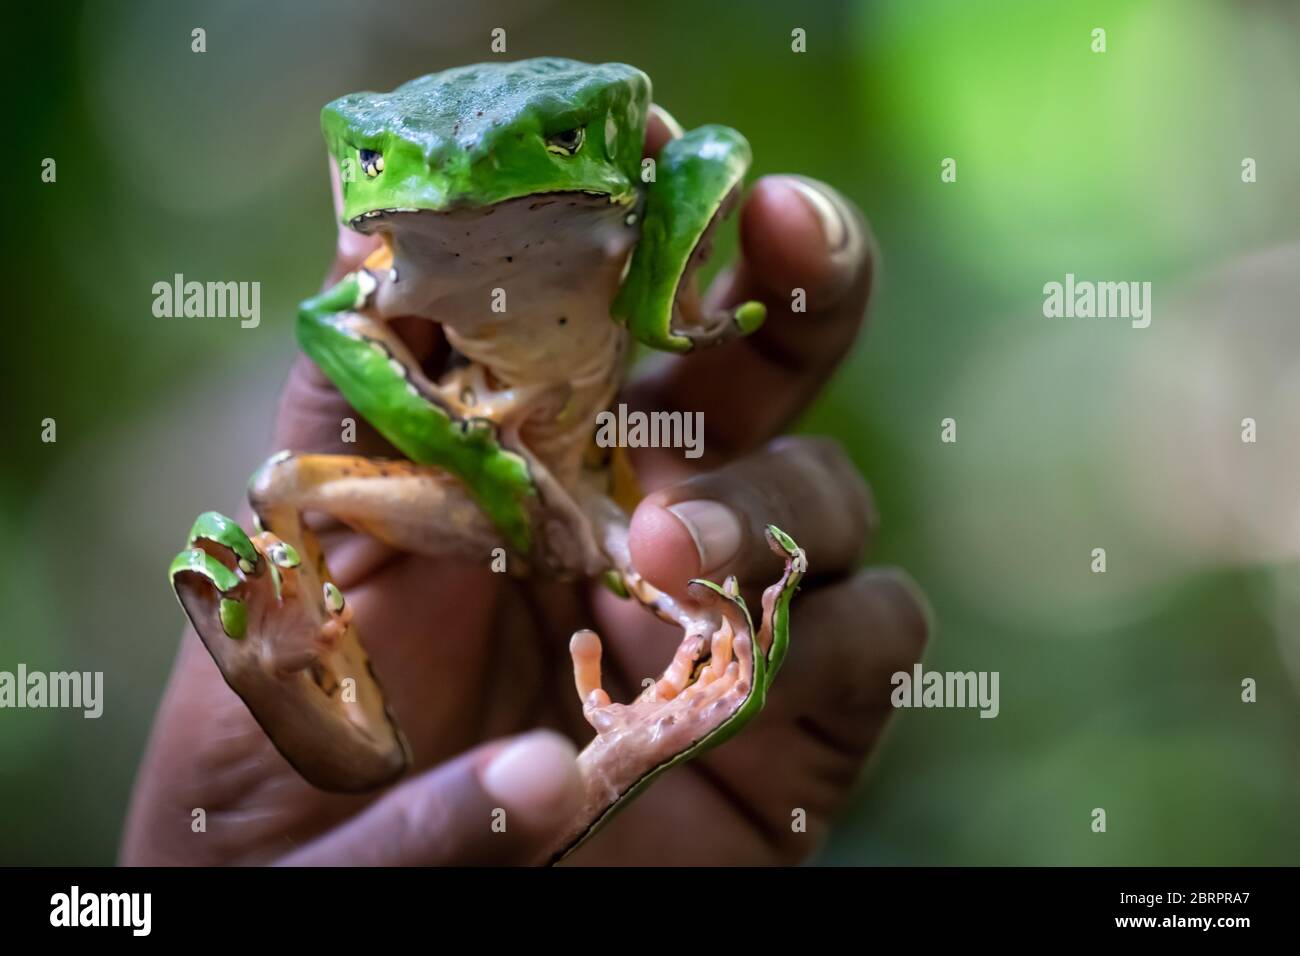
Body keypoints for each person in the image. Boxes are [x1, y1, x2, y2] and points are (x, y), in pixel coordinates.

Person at [121, 107, 930, 866]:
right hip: (470, 477)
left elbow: (708, 151)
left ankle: (659, 725)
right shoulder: (398, 270)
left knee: (713, 610)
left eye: (564, 134)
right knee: (281, 483)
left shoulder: (623, 214)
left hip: (599, 489)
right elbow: (326, 324)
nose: (466, 173)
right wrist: (467, 448)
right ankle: (304, 671)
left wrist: (661, 304)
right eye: (376, 156)